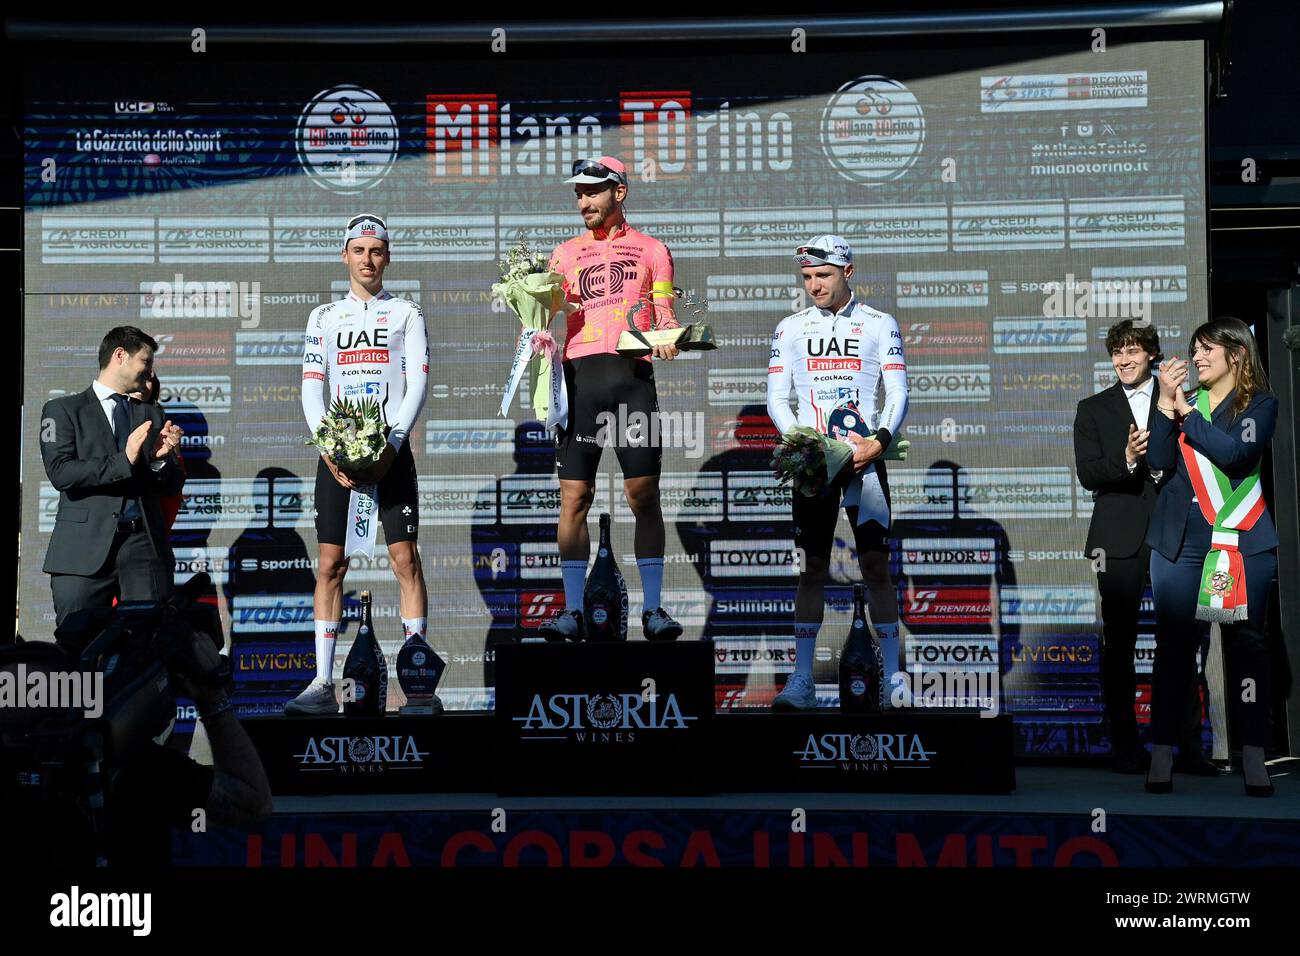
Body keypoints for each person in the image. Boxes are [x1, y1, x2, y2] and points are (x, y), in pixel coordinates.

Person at [284, 213, 430, 715]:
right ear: (344, 255)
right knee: (330, 564)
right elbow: (311, 387)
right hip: (338, 455)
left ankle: (416, 683)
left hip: (390, 453)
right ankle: (323, 682)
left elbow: (416, 387)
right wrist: (328, 445)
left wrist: (391, 444)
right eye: (359, 250)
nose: (368, 260)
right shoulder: (323, 317)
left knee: (405, 562)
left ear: (387, 257)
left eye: (377, 251)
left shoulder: (407, 313)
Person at [538, 156, 683, 642]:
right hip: (580, 381)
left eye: (594, 192)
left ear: (618, 192)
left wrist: (669, 338)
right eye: (579, 193)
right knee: (574, 497)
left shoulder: (652, 250)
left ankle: (655, 610)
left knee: (642, 495)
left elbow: (664, 316)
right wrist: (534, 329)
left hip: (631, 382)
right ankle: (573, 610)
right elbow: (539, 317)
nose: (584, 202)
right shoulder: (563, 255)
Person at [765, 236, 908, 710]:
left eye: (823, 276)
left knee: (875, 567)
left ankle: (894, 680)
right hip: (813, 464)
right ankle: (802, 679)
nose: (814, 286)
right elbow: (777, 400)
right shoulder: (790, 328)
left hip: (864, 460)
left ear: (848, 271)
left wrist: (879, 442)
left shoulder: (878, 323)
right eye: (807, 278)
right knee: (811, 570)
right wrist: (802, 443)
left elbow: (897, 391)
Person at [1073, 321, 1218, 775]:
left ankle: (1189, 749)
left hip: (1179, 531)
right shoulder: (1092, 408)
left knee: (1184, 640)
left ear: (1151, 355)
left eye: (1132, 350)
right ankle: (1125, 747)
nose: (1123, 360)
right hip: (1118, 538)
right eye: (1116, 352)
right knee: (1119, 644)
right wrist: (1129, 459)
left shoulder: (1182, 399)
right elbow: (1089, 474)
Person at [1144, 317, 1280, 796]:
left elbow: (1236, 455)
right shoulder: (1183, 403)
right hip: (1180, 540)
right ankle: (1162, 753)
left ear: (1236, 355)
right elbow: (1158, 462)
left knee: (1247, 648)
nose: (1196, 358)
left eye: (1207, 351)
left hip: (1242, 537)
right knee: (1174, 647)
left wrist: (1187, 414)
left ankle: (1254, 755)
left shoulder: (1259, 404)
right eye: (1195, 350)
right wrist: (1164, 406)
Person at [0, 629, 272, 866]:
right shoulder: (130, 763)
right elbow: (249, 803)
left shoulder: (136, 767)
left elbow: (249, 805)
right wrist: (212, 699)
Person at [40, 327, 185, 628]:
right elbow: (61, 472)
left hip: (143, 548)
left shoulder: (151, 414)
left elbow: (170, 486)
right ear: (120, 355)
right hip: (81, 552)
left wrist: (161, 462)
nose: (149, 369)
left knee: (149, 645)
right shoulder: (63, 410)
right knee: (77, 648)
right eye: (145, 360)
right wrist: (125, 460)